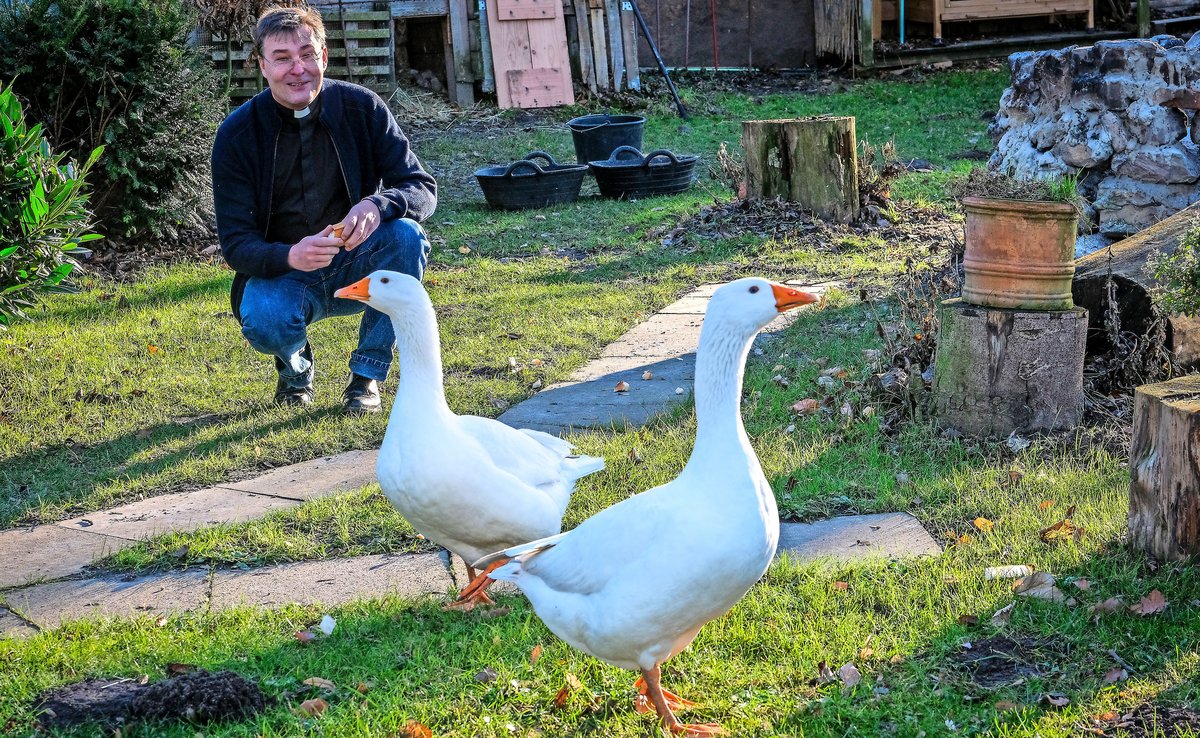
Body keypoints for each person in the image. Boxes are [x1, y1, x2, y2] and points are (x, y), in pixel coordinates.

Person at [211, 5, 437, 413]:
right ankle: (295, 372)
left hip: (358, 261)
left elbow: (421, 187)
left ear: (324, 57)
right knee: (264, 320)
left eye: (307, 54)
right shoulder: (237, 134)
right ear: (262, 66)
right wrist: (289, 254)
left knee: (407, 236)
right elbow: (235, 244)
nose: (297, 69)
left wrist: (377, 204)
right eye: (282, 59)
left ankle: (366, 377)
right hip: (285, 273)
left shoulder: (362, 108)